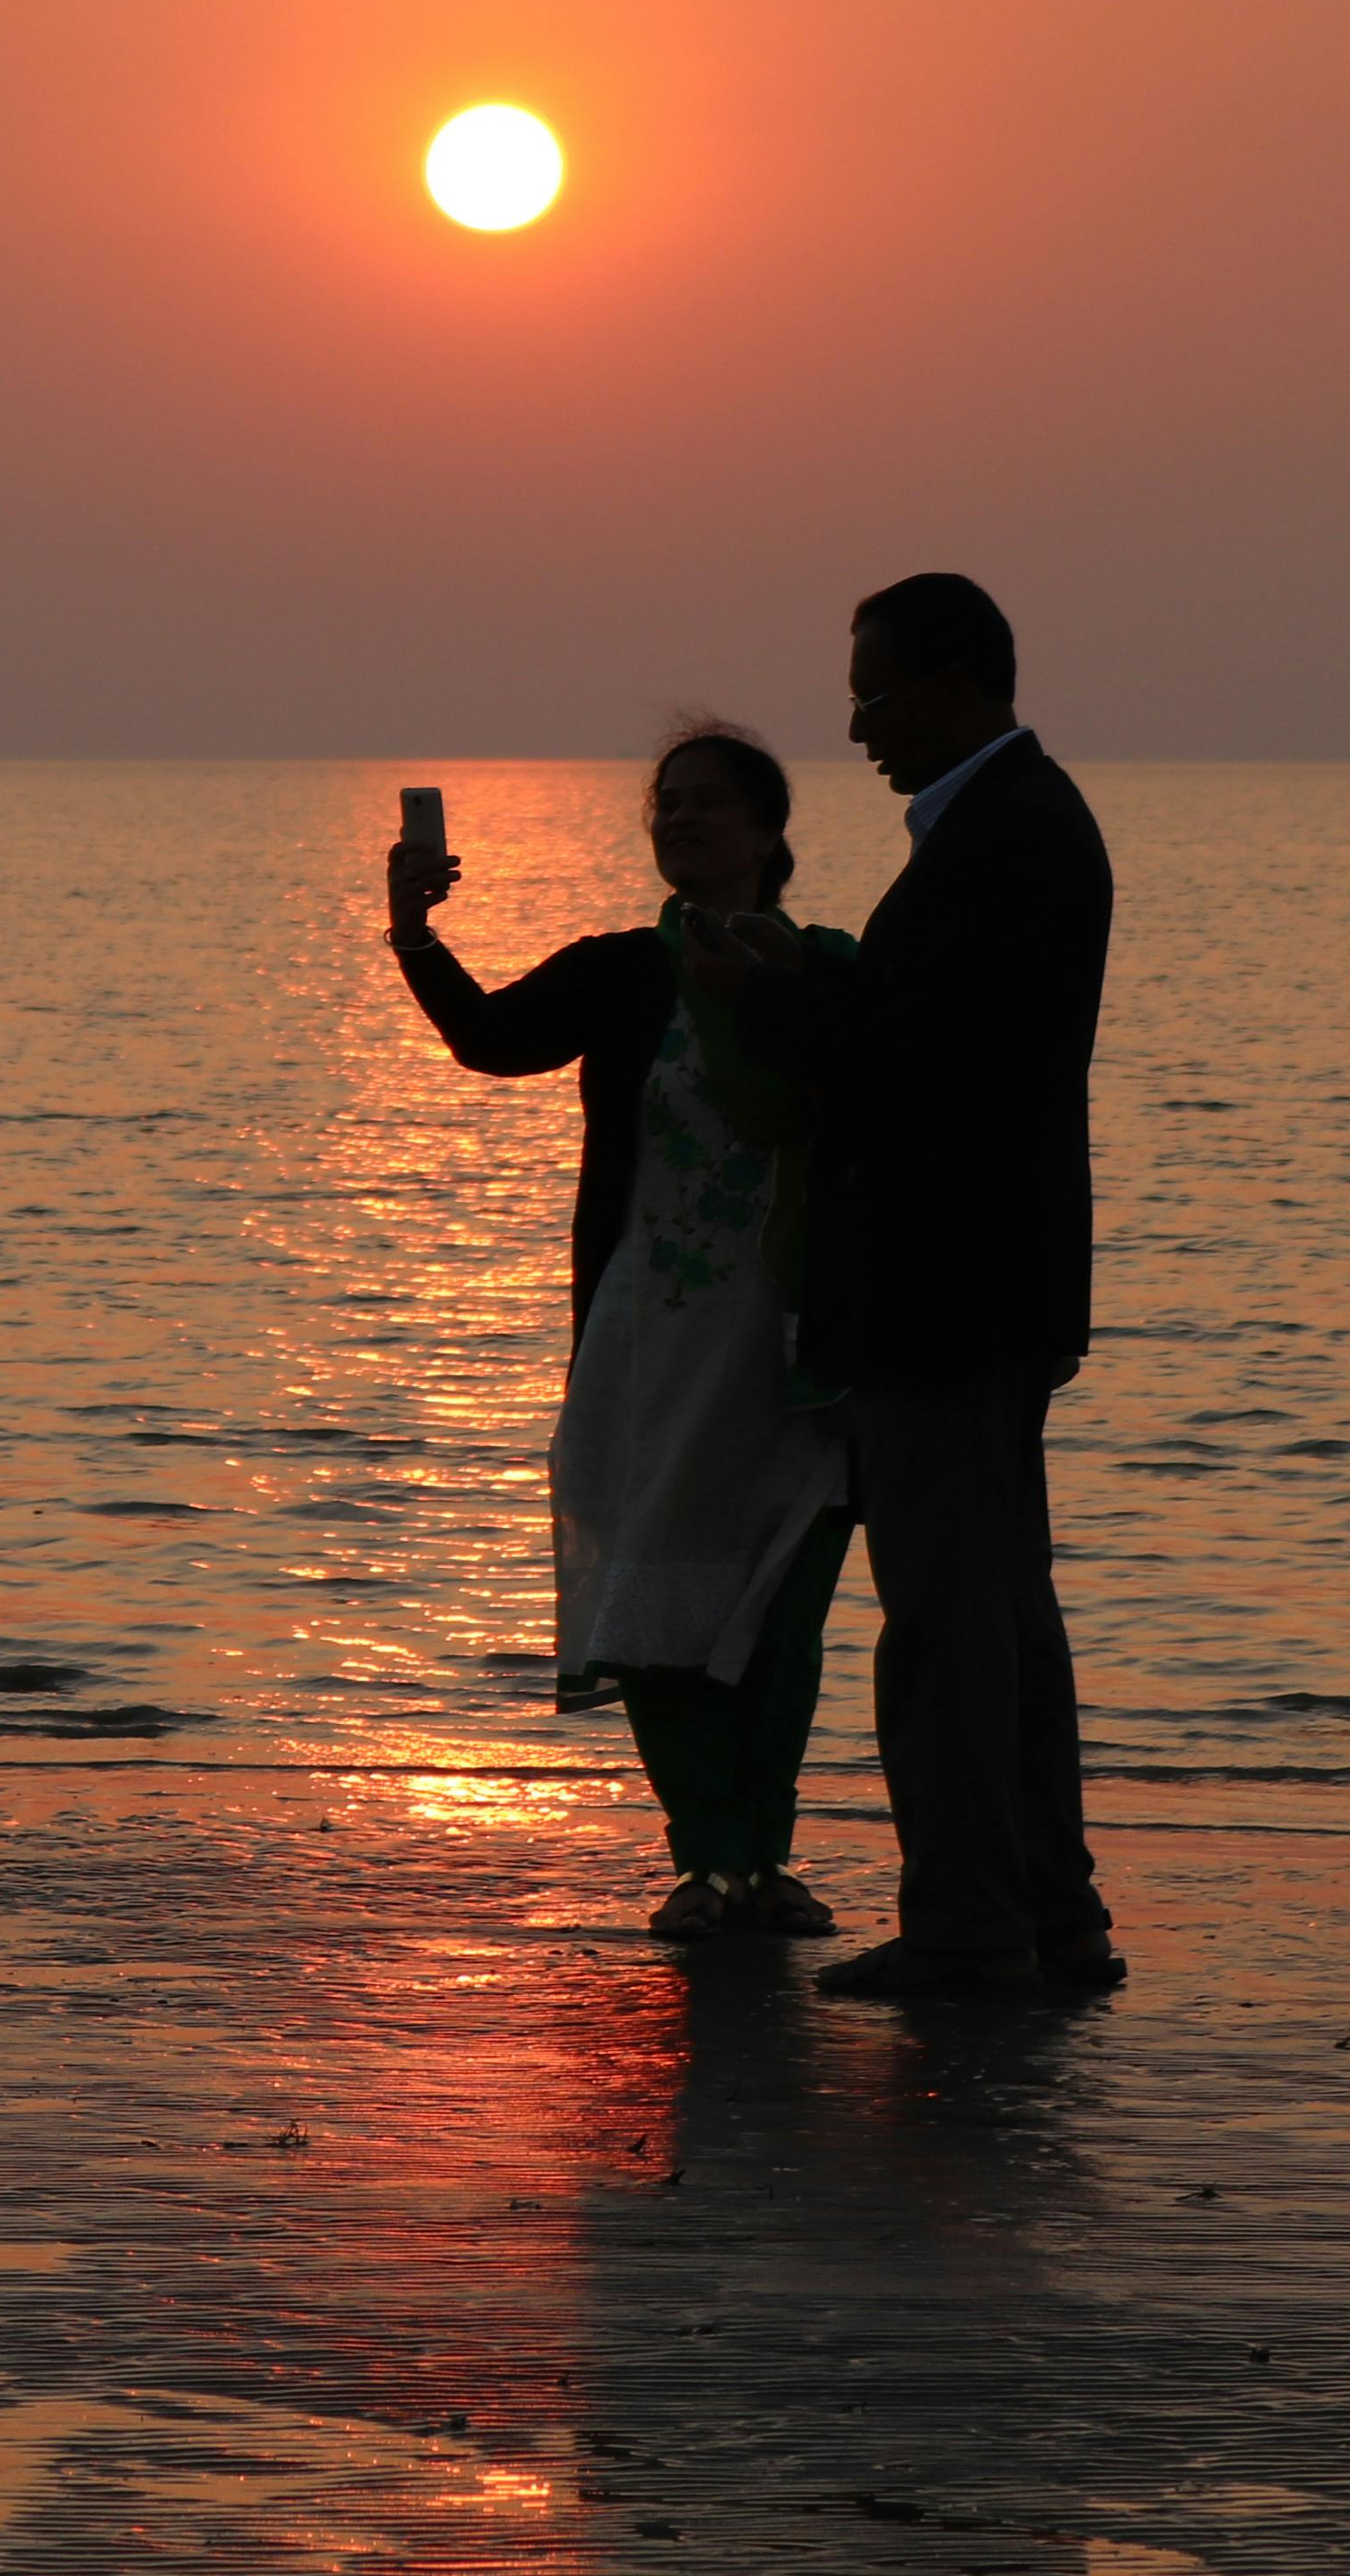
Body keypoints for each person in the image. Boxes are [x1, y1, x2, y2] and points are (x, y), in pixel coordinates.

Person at [690, 572, 1121, 2001]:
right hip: (998, 1286)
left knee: (946, 1620)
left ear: (949, 686)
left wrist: (771, 997)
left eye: (874, 690)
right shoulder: (1023, 828)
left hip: (946, 1293)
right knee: (1004, 1610)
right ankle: (1047, 1910)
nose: (859, 722)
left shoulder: (1002, 840)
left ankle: (967, 1922)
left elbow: (915, 1061)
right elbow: (931, 1033)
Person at [388, 730, 860, 1944]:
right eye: (669, 805)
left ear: (770, 834)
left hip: (796, 1349)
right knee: (655, 1605)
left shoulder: (826, 974)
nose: (683, 821)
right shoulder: (619, 973)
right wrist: (414, 934)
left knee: (780, 1612)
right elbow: (491, 1041)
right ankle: (706, 1863)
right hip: (645, 1346)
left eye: (710, 805)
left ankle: (767, 1860)